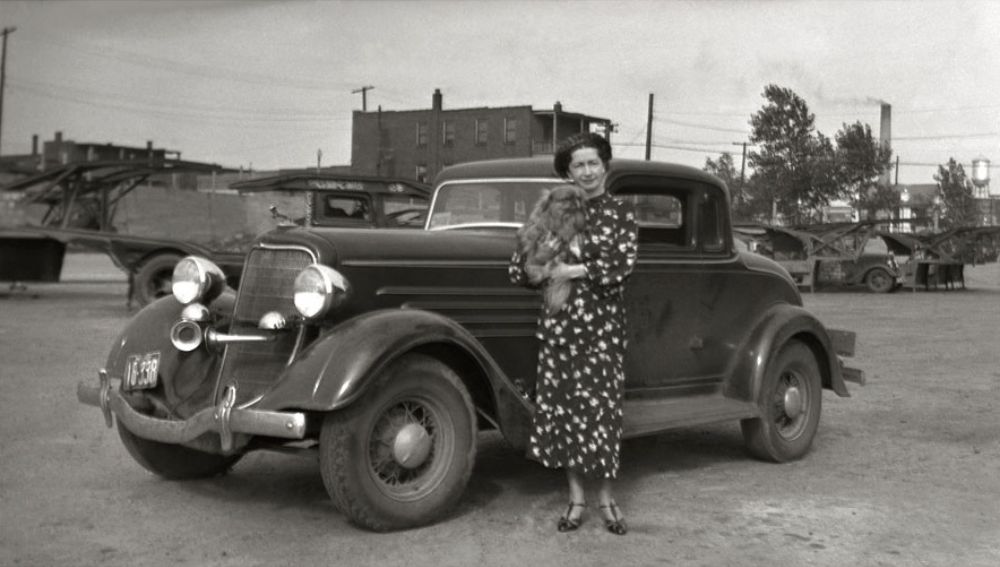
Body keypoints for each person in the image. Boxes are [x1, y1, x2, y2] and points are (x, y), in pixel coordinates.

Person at [508, 132, 638, 535]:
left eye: (593, 163)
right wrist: (541, 264)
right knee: (565, 417)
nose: (586, 171)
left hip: (600, 333)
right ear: (568, 171)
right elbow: (518, 268)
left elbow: (622, 265)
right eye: (578, 165)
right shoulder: (551, 210)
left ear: (605, 166)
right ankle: (577, 500)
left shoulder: (620, 213)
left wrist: (573, 270)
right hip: (560, 332)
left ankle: (607, 499)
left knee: (601, 417)